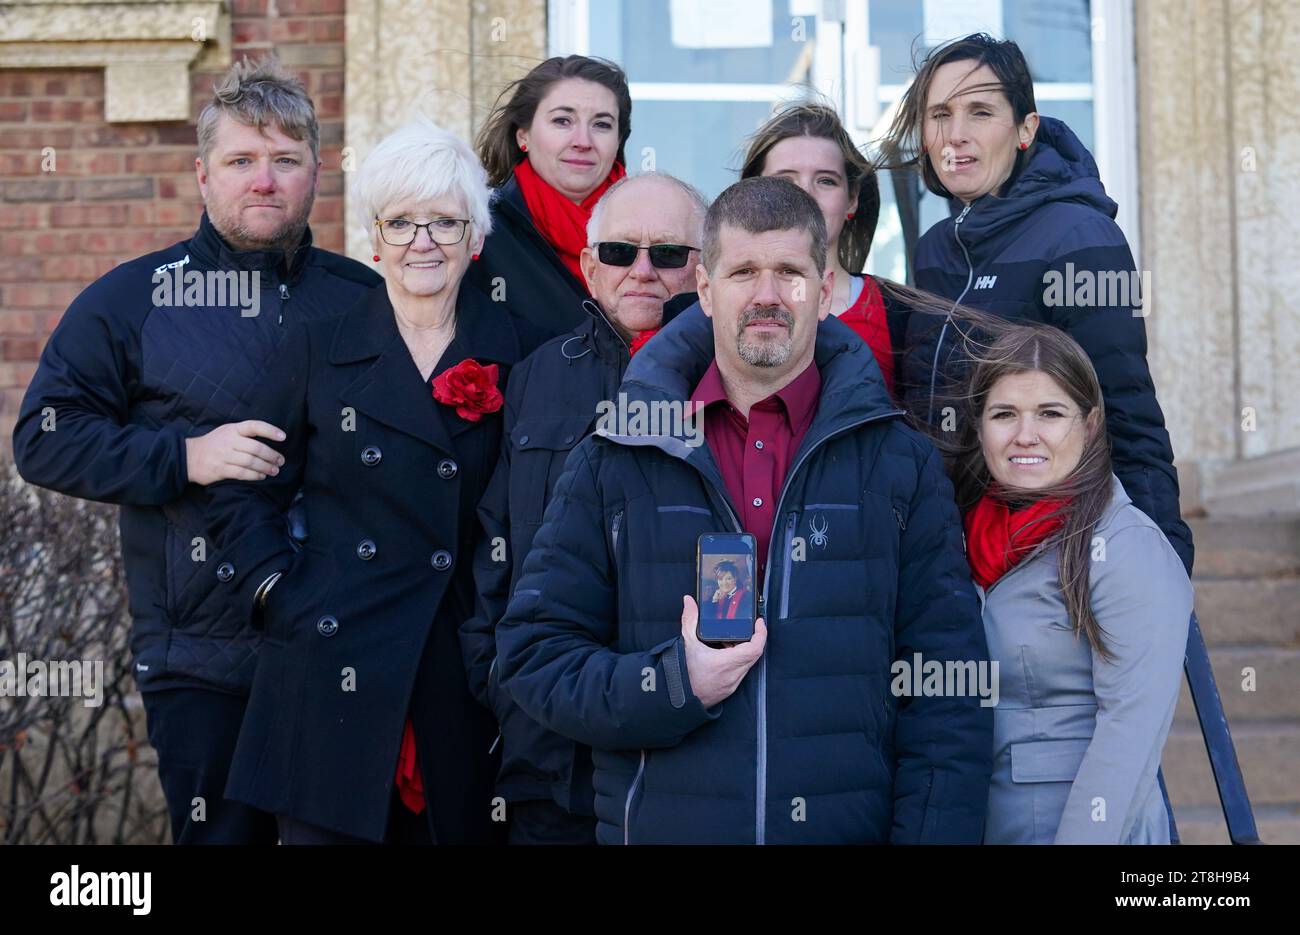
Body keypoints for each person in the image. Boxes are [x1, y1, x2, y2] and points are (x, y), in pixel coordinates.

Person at [495, 177, 992, 844]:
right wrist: (674, 683)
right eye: (743, 272)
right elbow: (533, 656)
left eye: (789, 272)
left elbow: (949, 701)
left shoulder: (897, 464)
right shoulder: (617, 456)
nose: (766, 294)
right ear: (704, 290)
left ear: (822, 291)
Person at [11, 57, 380, 844]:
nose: (265, 181)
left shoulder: (363, 298)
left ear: (316, 172)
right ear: (203, 174)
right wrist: (185, 456)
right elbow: (43, 439)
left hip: (344, 646)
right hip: (201, 658)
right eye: (243, 161)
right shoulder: (133, 298)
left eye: (285, 161)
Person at [204, 119, 541, 844]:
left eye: (444, 222)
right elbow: (242, 486)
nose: (424, 241)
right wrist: (275, 588)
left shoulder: (521, 354)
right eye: (402, 222)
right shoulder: (317, 348)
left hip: (465, 663)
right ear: (376, 238)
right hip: (329, 659)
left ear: (475, 239)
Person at [880, 33, 1194, 573]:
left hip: (1051, 548)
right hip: (953, 546)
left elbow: (1126, 411)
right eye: (939, 115)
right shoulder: (934, 248)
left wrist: (1162, 561)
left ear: (1025, 129)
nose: (956, 135)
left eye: (980, 112)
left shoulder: (1078, 236)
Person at [462, 171, 706, 844]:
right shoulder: (540, 373)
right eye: (622, 253)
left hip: (690, 744)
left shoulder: (733, 379)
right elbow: (496, 535)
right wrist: (496, 674)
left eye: (670, 253)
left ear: (705, 269)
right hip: (549, 747)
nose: (644, 271)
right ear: (590, 267)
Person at [944, 321, 1191, 843]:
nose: (1025, 435)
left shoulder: (1126, 547)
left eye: (1050, 414)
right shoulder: (962, 540)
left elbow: (1128, 736)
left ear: (1092, 423)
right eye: (1004, 414)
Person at [740, 101, 903, 395]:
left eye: (826, 180)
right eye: (785, 180)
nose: (806, 194)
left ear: (852, 199)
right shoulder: (722, 304)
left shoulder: (899, 315)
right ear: (754, 194)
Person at [470, 55, 632, 338]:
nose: (582, 141)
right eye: (562, 121)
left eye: (602, 125)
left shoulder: (661, 230)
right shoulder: (479, 232)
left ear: (618, 140)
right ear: (524, 136)